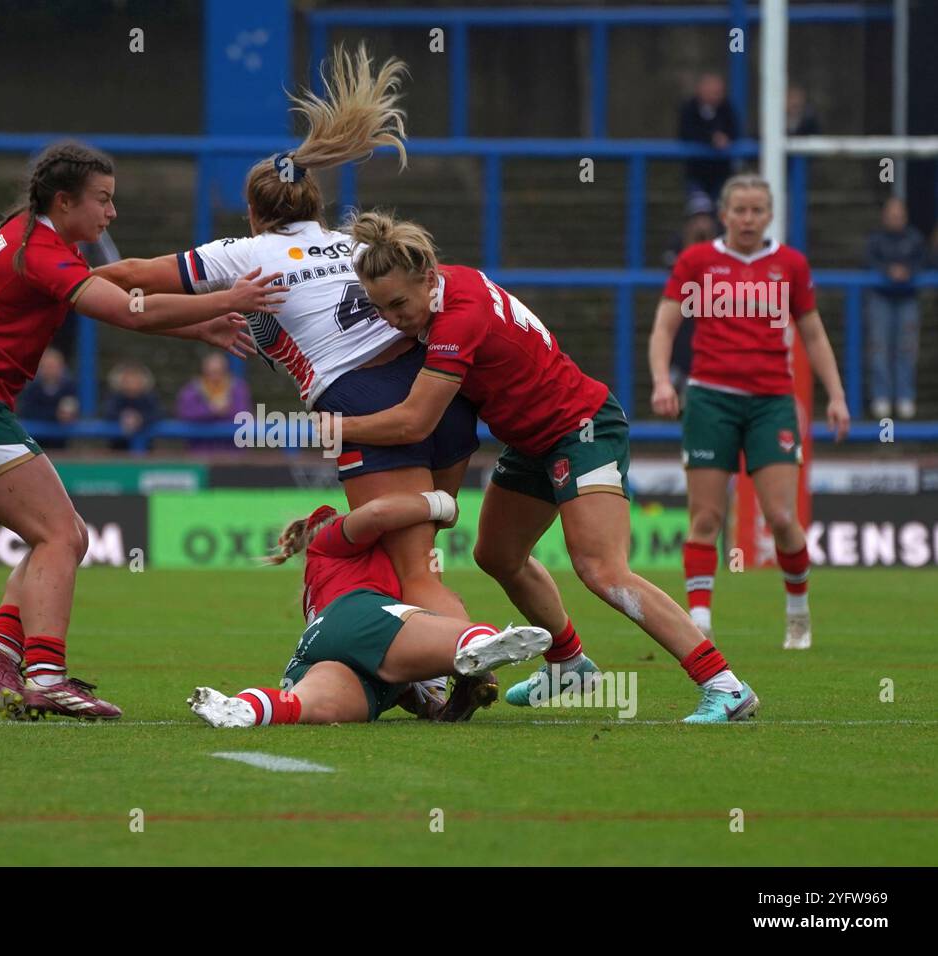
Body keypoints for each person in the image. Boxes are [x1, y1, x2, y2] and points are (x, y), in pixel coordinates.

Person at [95, 44, 488, 712]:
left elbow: (129, 281)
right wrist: (213, 321)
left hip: (366, 400)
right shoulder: (354, 243)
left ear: (253, 212)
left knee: (415, 571)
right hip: (439, 389)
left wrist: (63, 271)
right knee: (414, 554)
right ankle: (432, 665)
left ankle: (466, 655)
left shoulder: (246, 253)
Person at [0, 139, 283, 721]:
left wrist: (202, 326)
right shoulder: (40, 250)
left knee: (65, 535)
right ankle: (49, 676)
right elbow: (129, 310)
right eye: (102, 200)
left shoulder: (30, 237)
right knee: (61, 536)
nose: (111, 214)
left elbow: (121, 300)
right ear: (63, 201)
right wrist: (226, 298)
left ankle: (3, 645)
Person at [334, 210, 760, 723]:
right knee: (497, 554)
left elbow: (414, 423)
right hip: (534, 440)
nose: (393, 318)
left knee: (602, 569)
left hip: (582, 429)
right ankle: (568, 661)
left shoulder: (459, 315)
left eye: (398, 304)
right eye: (381, 308)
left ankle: (723, 683)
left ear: (428, 279)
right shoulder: (446, 284)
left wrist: (337, 428)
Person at [649, 173, 850, 652]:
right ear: (724, 214)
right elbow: (664, 326)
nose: (747, 218)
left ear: (770, 214)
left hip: (771, 402)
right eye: (739, 209)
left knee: (782, 517)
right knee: (705, 518)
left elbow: (814, 334)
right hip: (709, 398)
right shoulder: (697, 261)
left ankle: (797, 612)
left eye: (757, 209)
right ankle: (700, 622)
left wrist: (836, 396)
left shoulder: (790, 265)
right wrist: (660, 379)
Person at [187, 492, 551, 727]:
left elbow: (382, 655)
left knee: (305, 705)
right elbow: (378, 513)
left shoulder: (315, 588)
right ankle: (480, 643)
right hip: (359, 615)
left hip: (318, 653)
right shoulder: (330, 542)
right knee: (445, 618)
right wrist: (442, 503)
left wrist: (427, 705)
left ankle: (244, 708)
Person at [864, 197, 927, 420]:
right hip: (881, 299)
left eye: (899, 215)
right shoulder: (876, 239)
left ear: (905, 216)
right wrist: (887, 270)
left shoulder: (915, 238)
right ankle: (881, 396)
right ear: (885, 216)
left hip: (907, 299)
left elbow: (923, 261)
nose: (895, 219)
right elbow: (869, 261)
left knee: (907, 348)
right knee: (879, 348)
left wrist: (908, 270)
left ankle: (904, 397)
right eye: (891, 215)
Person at [662, 196, 721, 393]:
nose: (701, 224)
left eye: (706, 218)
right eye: (696, 218)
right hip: (684, 321)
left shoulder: (726, 246)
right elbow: (678, 270)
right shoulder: (678, 244)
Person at [677, 73, 739, 203]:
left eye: (718, 92)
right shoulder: (689, 108)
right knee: (701, 217)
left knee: (725, 213)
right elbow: (686, 132)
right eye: (711, 91)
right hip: (697, 173)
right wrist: (711, 138)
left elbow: (735, 131)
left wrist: (726, 138)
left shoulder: (727, 108)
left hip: (722, 173)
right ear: (700, 89)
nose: (715, 95)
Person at [175, 351, 253, 450]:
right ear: (204, 371)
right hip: (200, 448)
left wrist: (226, 410)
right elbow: (185, 413)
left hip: (231, 448)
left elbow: (244, 414)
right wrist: (210, 410)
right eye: (211, 372)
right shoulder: (192, 390)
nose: (215, 377)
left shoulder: (238, 388)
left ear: (225, 370)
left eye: (218, 372)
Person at [18, 347, 78, 448]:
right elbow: (26, 411)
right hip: (35, 443)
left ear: (61, 367)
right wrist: (55, 415)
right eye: (47, 366)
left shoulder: (70, 387)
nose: (50, 370)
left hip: (62, 444)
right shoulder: (31, 388)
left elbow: (75, 409)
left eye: (53, 366)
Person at [102, 361, 160, 451]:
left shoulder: (149, 397)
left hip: (146, 447)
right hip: (117, 446)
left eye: (136, 379)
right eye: (128, 380)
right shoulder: (115, 397)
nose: (132, 383)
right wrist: (124, 418)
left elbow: (157, 413)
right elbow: (108, 413)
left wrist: (140, 419)